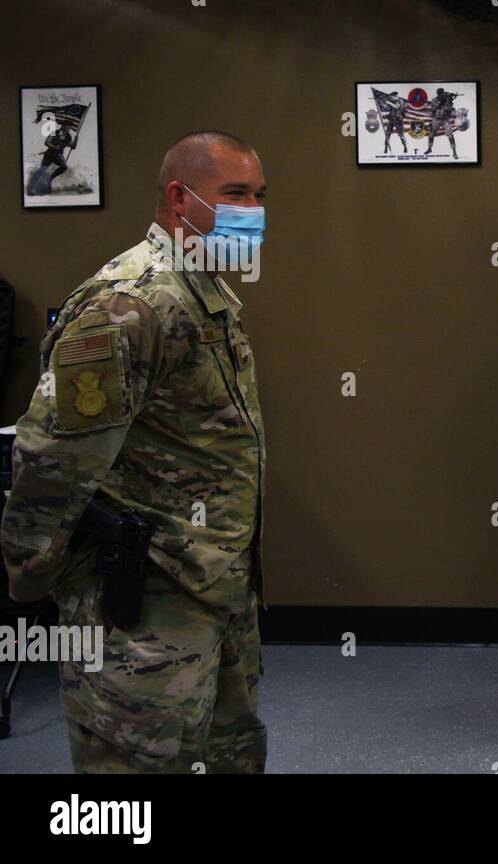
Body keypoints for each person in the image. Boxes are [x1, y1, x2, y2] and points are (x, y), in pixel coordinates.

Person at [3, 130, 269, 773]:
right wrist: (32, 575)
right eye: (235, 195)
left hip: (213, 586)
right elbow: (52, 460)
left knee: (224, 754)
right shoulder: (131, 304)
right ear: (181, 199)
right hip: (141, 604)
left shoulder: (203, 293)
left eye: (260, 196)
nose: (254, 212)